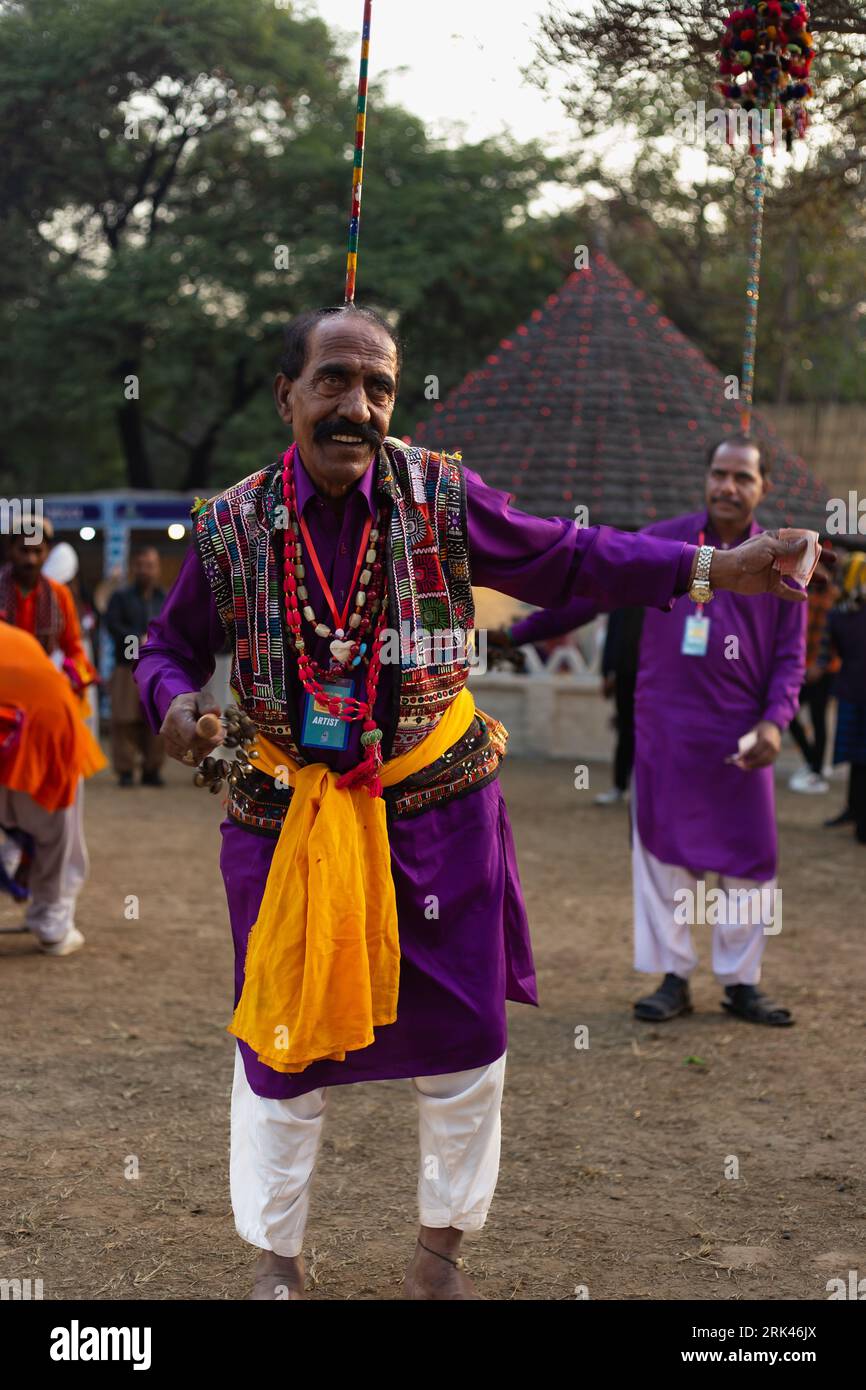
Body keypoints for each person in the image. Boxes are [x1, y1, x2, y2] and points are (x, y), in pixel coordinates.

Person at [133, 305, 809, 1300]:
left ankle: (438, 1253)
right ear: (286, 395)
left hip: (440, 822)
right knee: (280, 1051)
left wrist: (717, 566)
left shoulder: (440, 498)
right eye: (331, 380)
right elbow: (167, 646)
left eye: (377, 387)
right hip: (286, 828)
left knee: (462, 1048)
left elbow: (569, 556)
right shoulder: (232, 526)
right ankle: (277, 1261)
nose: (355, 406)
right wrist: (174, 701)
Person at [508, 435, 809, 1030]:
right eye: (719, 473)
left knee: (750, 858)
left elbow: (790, 658)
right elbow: (590, 595)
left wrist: (775, 723)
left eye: (742, 478)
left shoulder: (783, 560)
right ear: (706, 478)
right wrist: (513, 634)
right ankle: (672, 977)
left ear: (762, 488)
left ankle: (742, 983)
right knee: (661, 855)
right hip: (665, 731)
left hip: (742, 737)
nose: (728, 486)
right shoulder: (666, 543)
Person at [0, 621, 105, 953]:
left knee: (53, 833)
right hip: (42, 729)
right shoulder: (17, 639)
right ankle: (51, 923)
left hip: (46, 736)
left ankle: (51, 923)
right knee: (54, 835)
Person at [0, 522, 98, 695]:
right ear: (10, 550)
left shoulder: (59, 594)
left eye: (37, 551)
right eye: (24, 550)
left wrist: (77, 678)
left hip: (42, 684)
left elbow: (73, 647)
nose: (30, 560)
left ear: (47, 553)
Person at [105, 547, 167, 787]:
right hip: (127, 667)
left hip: (158, 670)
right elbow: (112, 625)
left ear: (158, 568)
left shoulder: (166, 598)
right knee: (124, 720)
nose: (145, 570)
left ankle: (152, 769)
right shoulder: (120, 597)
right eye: (141, 565)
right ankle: (126, 770)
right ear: (133, 568)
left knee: (157, 720)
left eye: (150, 565)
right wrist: (136, 639)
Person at [818, 551, 866, 844]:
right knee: (861, 758)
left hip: (849, 688)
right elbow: (825, 652)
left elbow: (825, 654)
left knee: (859, 757)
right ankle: (857, 814)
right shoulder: (838, 614)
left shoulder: (838, 613)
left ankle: (857, 813)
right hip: (852, 689)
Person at [787, 560, 837, 794]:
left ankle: (816, 770)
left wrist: (821, 665)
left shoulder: (834, 596)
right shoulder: (803, 592)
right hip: (802, 667)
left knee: (818, 718)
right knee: (789, 716)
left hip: (823, 669)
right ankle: (812, 762)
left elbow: (836, 637)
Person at [593, 606, 644, 805]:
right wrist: (607, 673)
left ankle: (644, 789)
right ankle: (620, 786)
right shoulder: (621, 599)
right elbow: (612, 636)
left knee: (648, 732)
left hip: (651, 675)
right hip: (625, 675)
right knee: (625, 730)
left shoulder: (661, 596)